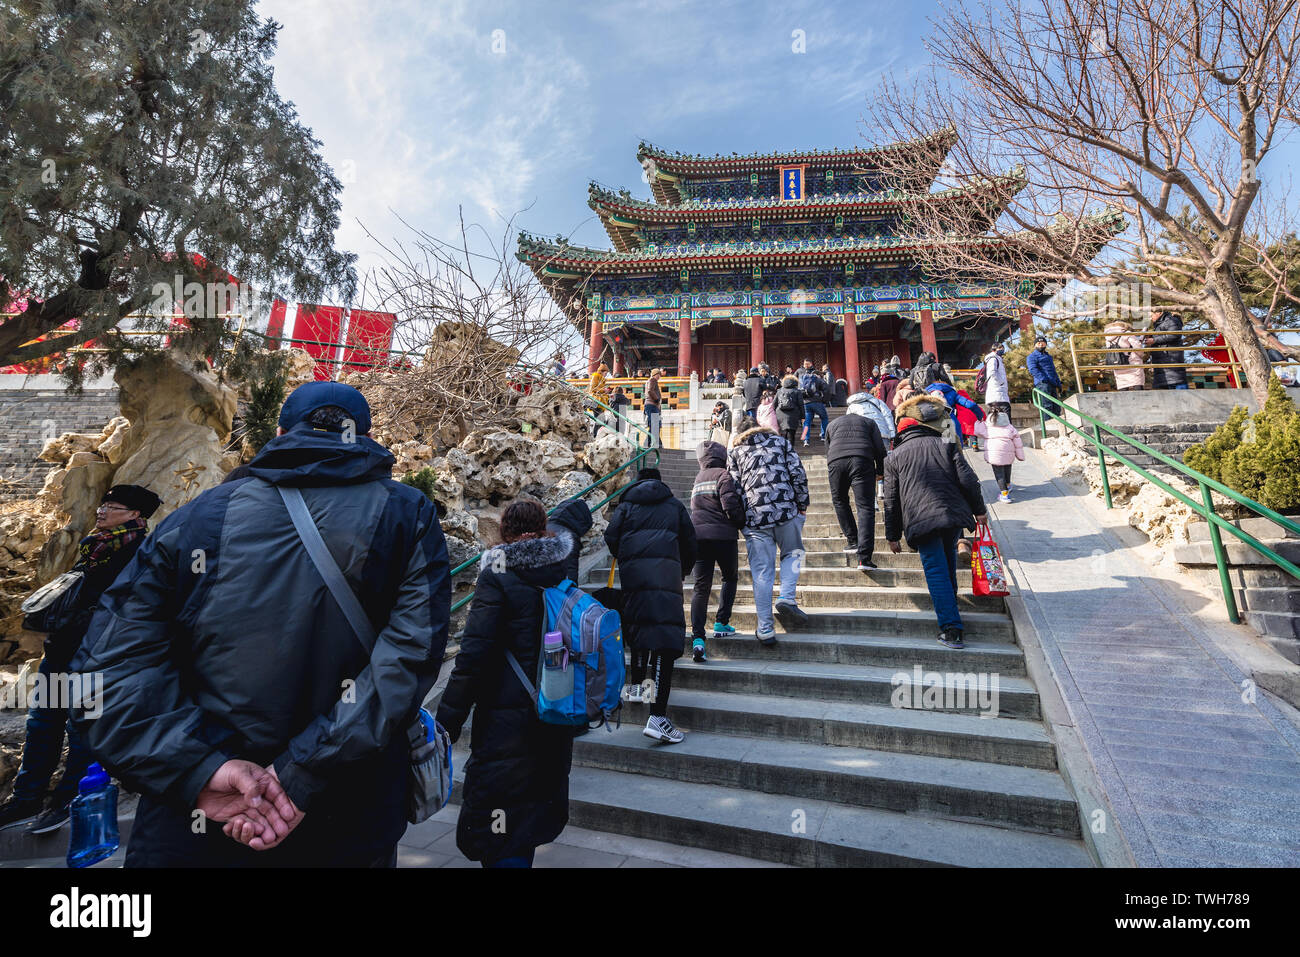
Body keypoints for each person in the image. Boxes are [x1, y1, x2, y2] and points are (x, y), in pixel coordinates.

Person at [70, 382, 452, 866]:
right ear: (365, 436)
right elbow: (408, 658)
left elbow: (110, 666)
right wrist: (299, 773)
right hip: (348, 806)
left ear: (278, 432)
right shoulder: (407, 513)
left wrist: (202, 770)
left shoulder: (196, 518)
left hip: (196, 820)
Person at [435, 498, 591, 868]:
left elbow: (472, 657)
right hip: (553, 710)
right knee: (530, 814)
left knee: (498, 825)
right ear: (543, 529)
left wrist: (446, 724)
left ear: (505, 531)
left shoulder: (498, 572)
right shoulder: (562, 571)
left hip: (505, 722)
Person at [0, 484, 161, 834]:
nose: (102, 511)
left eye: (112, 507)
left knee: (83, 726)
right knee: (43, 721)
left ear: (135, 515)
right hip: (62, 649)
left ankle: (69, 799)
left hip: (97, 656)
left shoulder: (142, 552)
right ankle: (26, 798)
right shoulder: (96, 547)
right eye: (103, 505)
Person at [883, 393, 987, 650]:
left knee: (937, 570)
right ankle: (951, 612)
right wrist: (979, 510)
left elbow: (891, 500)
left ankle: (951, 629)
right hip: (952, 515)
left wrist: (892, 534)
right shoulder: (946, 442)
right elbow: (968, 479)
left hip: (920, 519)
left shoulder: (893, 457)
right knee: (948, 563)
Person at [605, 468, 697, 743]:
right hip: (666, 579)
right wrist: (682, 568)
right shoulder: (673, 505)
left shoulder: (626, 505)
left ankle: (637, 688)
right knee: (664, 642)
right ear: (660, 481)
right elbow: (691, 542)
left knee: (640, 630)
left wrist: (628, 557)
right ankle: (657, 716)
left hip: (634, 578)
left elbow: (611, 537)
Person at [728, 415, 810, 644]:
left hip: (755, 519)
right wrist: (802, 503)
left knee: (761, 573)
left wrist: (741, 521)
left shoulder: (735, 453)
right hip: (786, 509)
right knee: (793, 553)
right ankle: (787, 596)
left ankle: (765, 629)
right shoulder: (781, 443)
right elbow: (797, 473)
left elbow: (733, 488)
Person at [689, 441, 746, 662]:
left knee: (700, 587)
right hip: (723, 536)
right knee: (729, 577)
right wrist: (740, 521)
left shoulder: (698, 477)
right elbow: (730, 503)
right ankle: (721, 622)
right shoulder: (724, 474)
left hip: (699, 537)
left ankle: (697, 639)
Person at [825, 395, 888, 571]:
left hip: (836, 461)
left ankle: (852, 540)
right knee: (865, 507)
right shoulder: (869, 423)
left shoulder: (832, 424)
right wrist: (880, 471)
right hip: (862, 460)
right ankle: (864, 559)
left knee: (839, 500)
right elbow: (879, 449)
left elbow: (827, 449)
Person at [974, 405, 1025, 503]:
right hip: (1008, 450)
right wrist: (1020, 455)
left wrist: (978, 422)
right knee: (1007, 467)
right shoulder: (1009, 426)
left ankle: (1004, 494)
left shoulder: (987, 425)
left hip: (994, 452)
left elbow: (978, 432)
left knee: (999, 473)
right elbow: (1017, 439)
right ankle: (1008, 485)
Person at [1149, 311, 1188, 390]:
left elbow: (1174, 334)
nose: (1150, 318)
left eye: (1151, 315)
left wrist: (1154, 340)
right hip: (1163, 361)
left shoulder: (1172, 320)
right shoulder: (1159, 324)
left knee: (1177, 384)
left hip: (1170, 358)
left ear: (1159, 313)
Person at [1027, 335, 1064, 415]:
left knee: (1056, 407)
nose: (1041, 345)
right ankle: (1048, 425)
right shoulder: (1032, 356)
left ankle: (1057, 424)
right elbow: (1033, 369)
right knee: (1047, 406)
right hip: (1043, 383)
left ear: (1046, 344)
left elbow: (1053, 371)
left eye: (1043, 343)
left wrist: (1058, 383)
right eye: (1038, 343)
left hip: (1052, 383)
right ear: (1035, 345)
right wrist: (1043, 379)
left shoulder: (1048, 357)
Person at [1105, 320, 1147, 391]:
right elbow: (1137, 347)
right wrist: (1141, 355)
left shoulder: (1107, 337)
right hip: (1132, 362)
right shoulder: (1127, 333)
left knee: (1122, 384)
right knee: (1137, 384)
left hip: (1118, 363)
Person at [799, 366, 830, 446]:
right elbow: (826, 389)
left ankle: (805, 439)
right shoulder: (818, 379)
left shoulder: (803, 379)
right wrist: (824, 400)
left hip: (806, 403)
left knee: (806, 422)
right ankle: (824, 436)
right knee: (824, 417)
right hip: (817, 402)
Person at [774, 374, 805, 446]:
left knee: (783, 435)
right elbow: (801, 405)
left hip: (780, 415)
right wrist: (803, 417)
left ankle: (783, 450)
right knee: (791, 435)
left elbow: (774, 404)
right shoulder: (797, 391)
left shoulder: (779, 391)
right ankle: (790, 451)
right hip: (793, 415)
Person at [643, 368, 664, 449]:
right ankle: (651, 443)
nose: (659, 377)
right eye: (658, 375)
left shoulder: (650, 381)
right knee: (655, 424)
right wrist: (657, 399)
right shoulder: (652, 380)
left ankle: (652, 442)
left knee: (654, 425)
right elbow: (650, 391)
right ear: (655, 374)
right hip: (652, 405)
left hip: (650, 405)